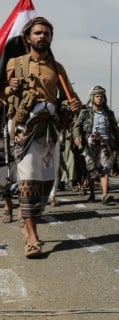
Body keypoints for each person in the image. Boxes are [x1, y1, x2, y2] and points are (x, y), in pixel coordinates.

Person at [4, 16, 82, 258]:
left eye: (46, 33)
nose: (42, 37)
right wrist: (10, 88)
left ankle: (27, 220)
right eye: (37, 33)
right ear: (28, 37)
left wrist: (74, 104)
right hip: (25, 128)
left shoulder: (57, 68)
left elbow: (68, 96)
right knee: (28, 179)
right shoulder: (15, 63)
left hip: (50, 129)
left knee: (45, 182)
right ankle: (33, 239)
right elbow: (3, 94)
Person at [73, 85, 119, 204]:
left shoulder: (109, 114)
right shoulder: (85, 112)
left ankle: (105, 195)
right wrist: (77, 138)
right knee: (91, 169)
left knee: (104, 168)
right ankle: (92, 194)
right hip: (90, 143)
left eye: (101, 96)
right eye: (97, 96)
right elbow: (77, 126)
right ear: (92, 98)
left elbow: (116, 130)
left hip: (105, 143)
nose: (100, 98)